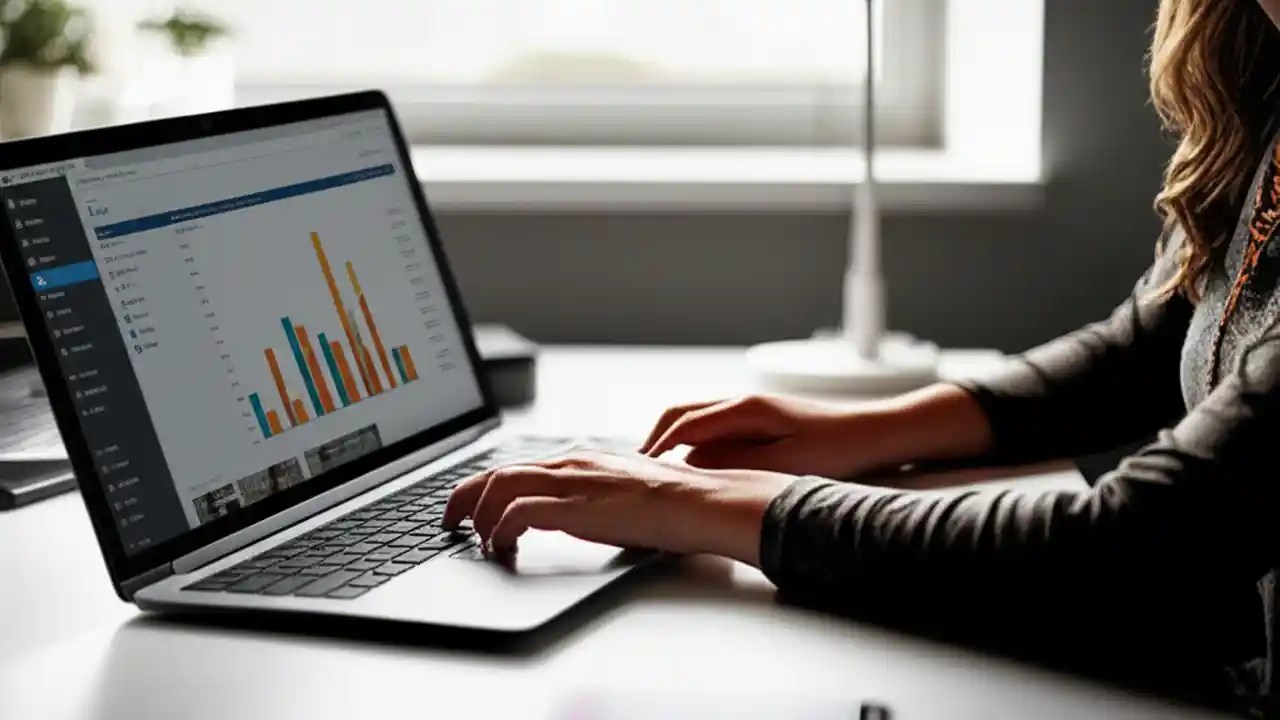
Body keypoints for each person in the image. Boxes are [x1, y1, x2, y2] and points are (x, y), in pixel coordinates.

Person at [446, 0, 1280, 712]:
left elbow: (1136, 544)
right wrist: (862, 432)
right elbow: (1151, 341)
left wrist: (714, 502)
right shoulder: (1262, 87)